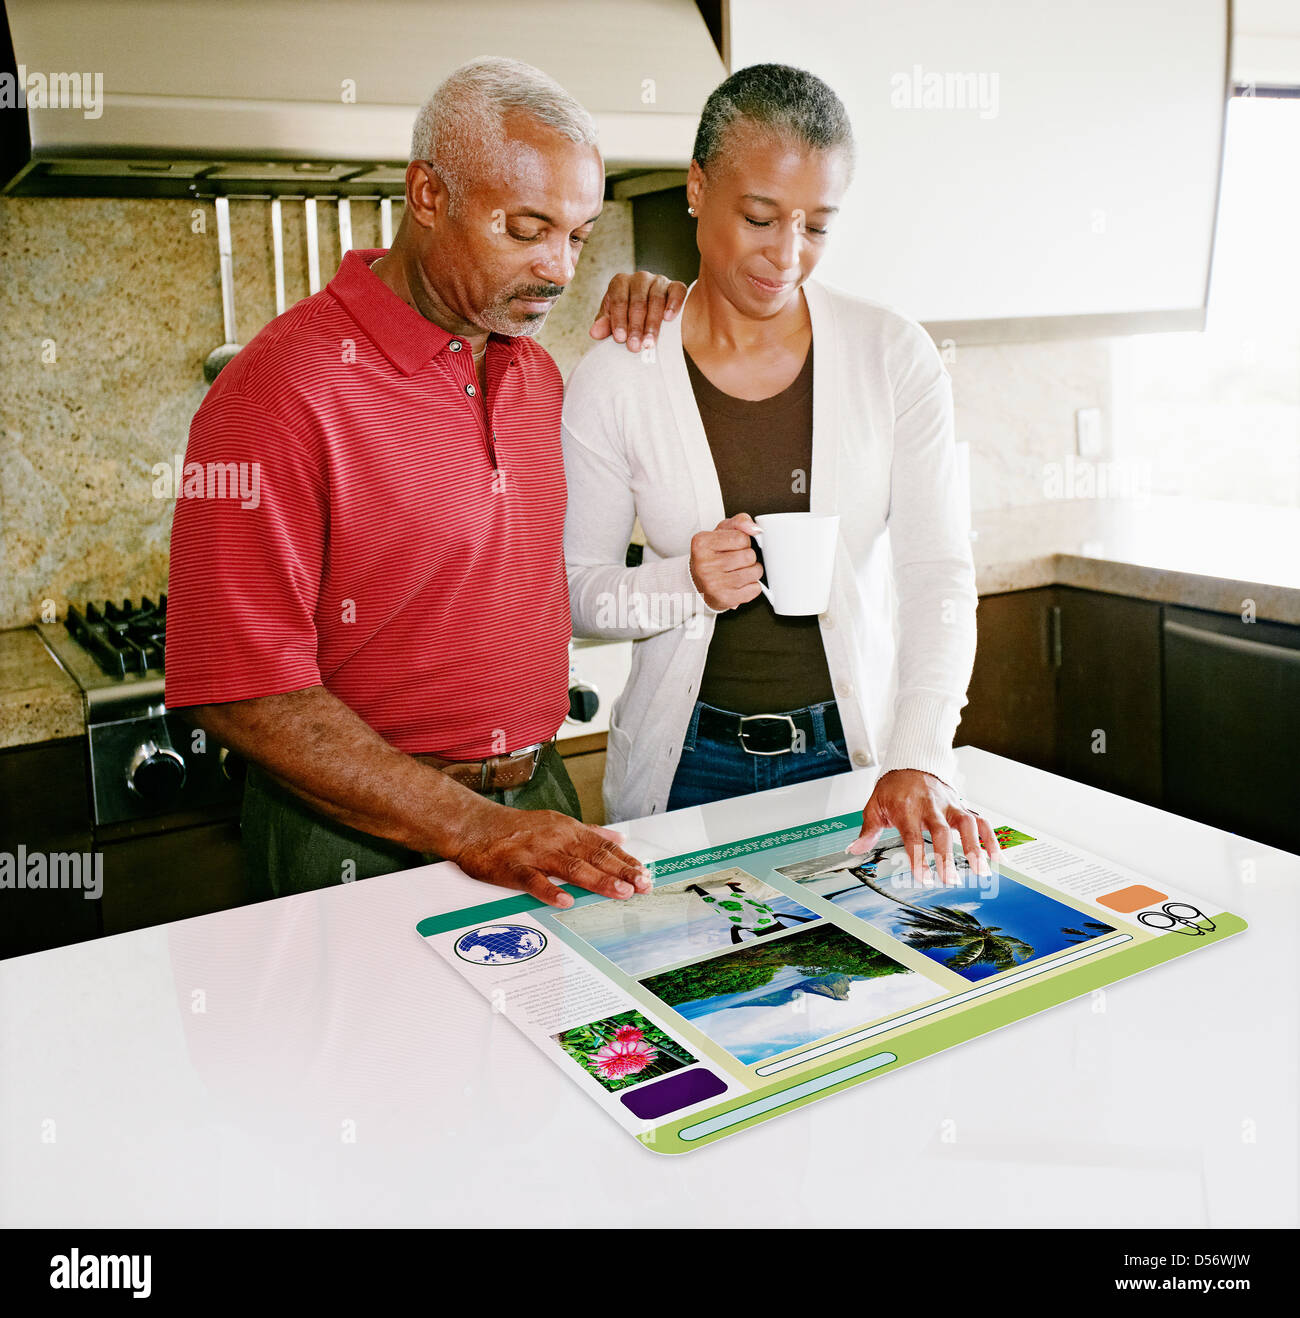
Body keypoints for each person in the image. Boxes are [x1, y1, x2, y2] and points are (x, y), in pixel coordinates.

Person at [165, 57, 683, 907]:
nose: (558, 267)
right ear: (429, 196)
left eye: (579, 235)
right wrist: (472, 825)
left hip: (539, 802)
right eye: (525, 229)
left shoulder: (535, 374)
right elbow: (238, 689)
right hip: (354, 838)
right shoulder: (279, 388)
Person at [563, 64, 999, 884]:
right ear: (696, 188)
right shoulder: (619, 373)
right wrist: (682, 583)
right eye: (760, 218)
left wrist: (920, 755)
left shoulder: (891, 354)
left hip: (855, 759)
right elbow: (577, 592)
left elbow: (938, 574)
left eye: (818, 226)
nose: (787, 255)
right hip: (681, 771)